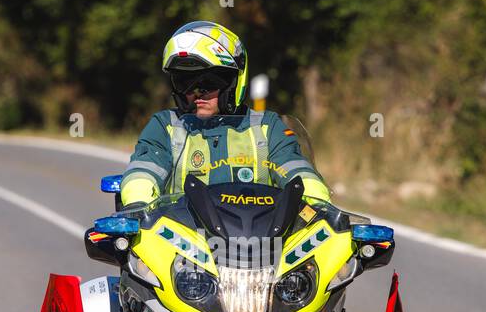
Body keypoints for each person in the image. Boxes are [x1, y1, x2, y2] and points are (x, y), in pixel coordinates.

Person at [119, 21, 330, 209]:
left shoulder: (267, 127)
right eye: (185, 82)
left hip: (262, 246)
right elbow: (143, 171)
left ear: (234, 81)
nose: (197, 93)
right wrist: (137, 206)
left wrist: (322, 207)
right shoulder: (166, 126)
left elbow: (297, 171)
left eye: (210, 82)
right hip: (179, 247)